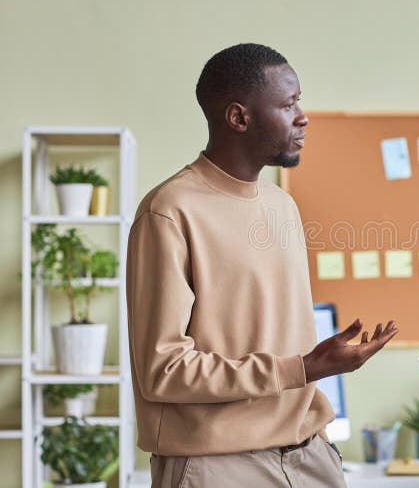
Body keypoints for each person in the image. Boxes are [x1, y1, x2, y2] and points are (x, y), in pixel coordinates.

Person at [127, 43, 398, 488]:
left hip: (311, 456)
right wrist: (304, 368)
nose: (302, 116)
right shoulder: (169, 211)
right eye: (288, 103)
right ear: (238, 117)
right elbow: (164, 372)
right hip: (218, 466)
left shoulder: (282, 205)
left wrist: (312, 392)